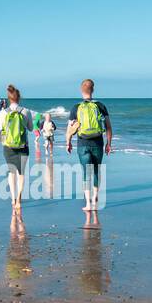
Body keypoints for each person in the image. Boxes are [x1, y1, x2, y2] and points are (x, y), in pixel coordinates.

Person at [65, 79, 111, 212]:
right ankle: (96, 197)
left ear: (81, 90)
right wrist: (109, 143)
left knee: (86, 172)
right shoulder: (100, 106)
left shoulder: (76, 107)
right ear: (93, 90)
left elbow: (70, 129)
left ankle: (88, 204)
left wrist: (68, 142)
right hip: (98, 143)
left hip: (82, 144)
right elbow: (108, 127)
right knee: (96, 170)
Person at [0, 84, 35, 212]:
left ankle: (13, 199)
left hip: (8, 146)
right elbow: (30, 128)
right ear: (19, 98)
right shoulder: (25, 111)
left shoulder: (3, 112)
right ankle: (19, 199)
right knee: (21, 173)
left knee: (11, 172)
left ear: (8, 98)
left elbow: (0, 128)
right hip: (23, 145)